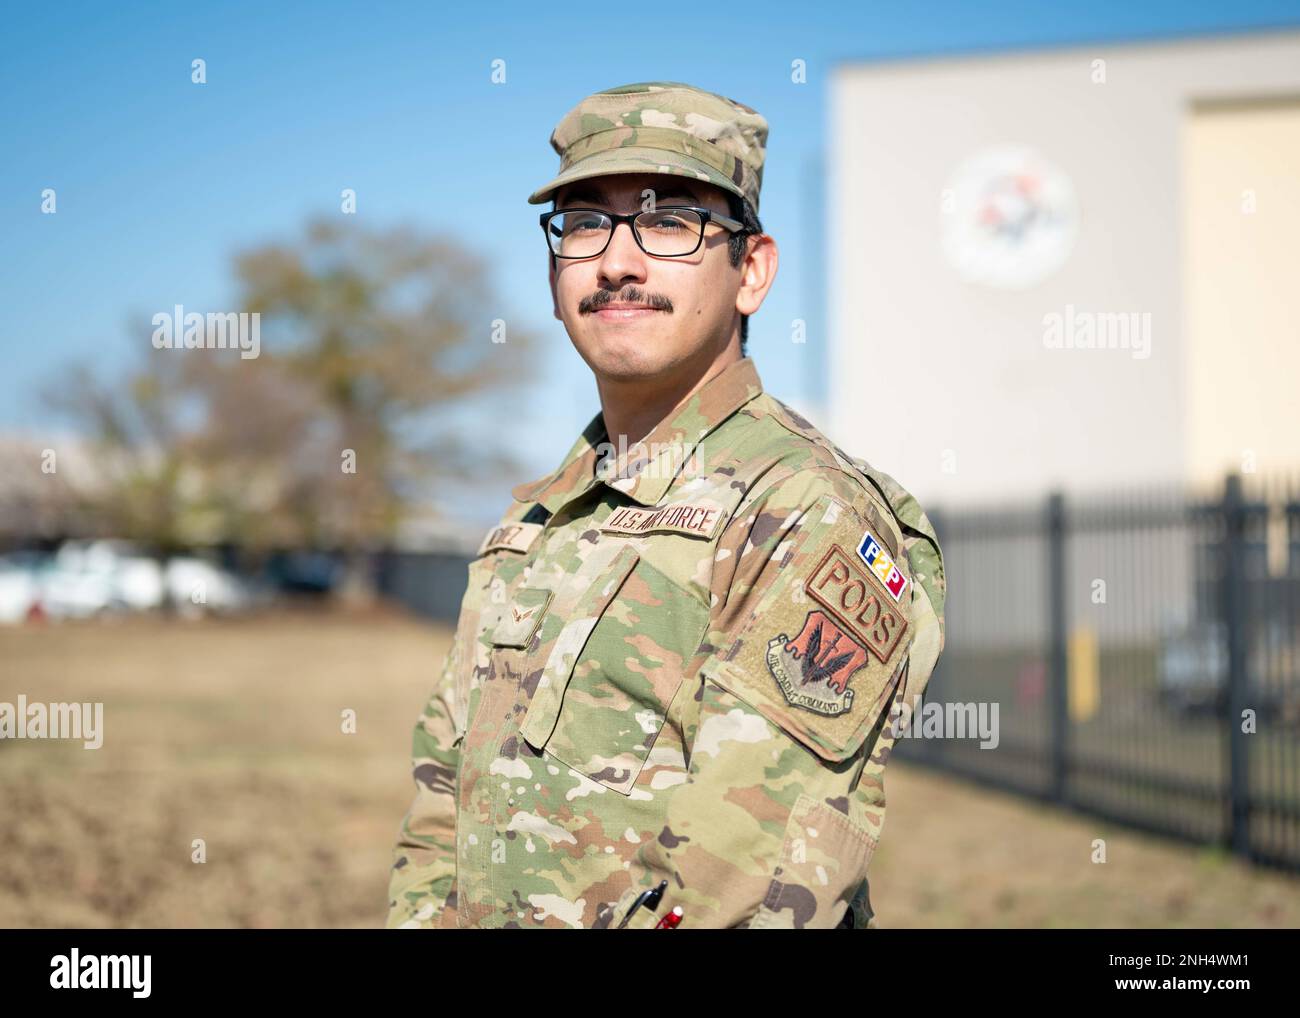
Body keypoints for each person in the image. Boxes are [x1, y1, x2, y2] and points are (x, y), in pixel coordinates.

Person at [385, 80, 946, 929]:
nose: (616, 261)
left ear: (750, 272)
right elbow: (441, 805)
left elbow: (742, 877)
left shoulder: (800, 509)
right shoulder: (539, 521)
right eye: (583, 223)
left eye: (670, 222)